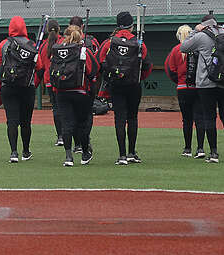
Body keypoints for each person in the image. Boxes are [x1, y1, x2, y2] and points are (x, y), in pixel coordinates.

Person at [180, 14, 224, 163]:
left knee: (209, 116)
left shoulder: (201, 36)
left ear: (203, 24)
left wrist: (194, 31)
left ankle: (213, 153)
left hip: (207, 82)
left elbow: (184, 47)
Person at [97, 11, 151, 165]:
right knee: (132, 118)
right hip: (134, 85)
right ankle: (132, 153)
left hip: (116, 84)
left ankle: (122, 156)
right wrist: (138, 78)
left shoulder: (109, 43)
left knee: (119, 119)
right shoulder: (139, 43)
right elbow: (147, 65)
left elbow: (100, 62)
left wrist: (109, 77)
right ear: (131, 26)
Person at [42, 24, 98, 166]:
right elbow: (93, 70)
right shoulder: (83, 49)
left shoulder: (57, 49)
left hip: (61, 91)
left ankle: (68, 157)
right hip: (80, 91)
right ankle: (85, 153)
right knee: (82, 124)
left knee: (66, 124)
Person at [0, 15, 39, 162]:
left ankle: (13, 153)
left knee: (12, 120)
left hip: (8, 86)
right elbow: (40, 65)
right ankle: (25, 151)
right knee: (26, 121)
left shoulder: (4, 44)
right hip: (27, 86)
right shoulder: (32, 44)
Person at [164, 24, 204, 158]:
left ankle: (187, 148)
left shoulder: (175, 50)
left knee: (186, 120)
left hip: (182, 88)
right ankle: (200, 148)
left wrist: (180, 81)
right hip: (198, 87)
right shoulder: (198, 48)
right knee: (199, 118)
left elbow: (171, 70)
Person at [37, 19, 65, 148]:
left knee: (56, 108)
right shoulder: (64, 42)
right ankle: (67, 135)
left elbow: (40, 66)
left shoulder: (43, 46)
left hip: (49, 81)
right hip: (63, 80)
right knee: (66, 108)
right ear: (59, 29)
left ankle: (60, 136)